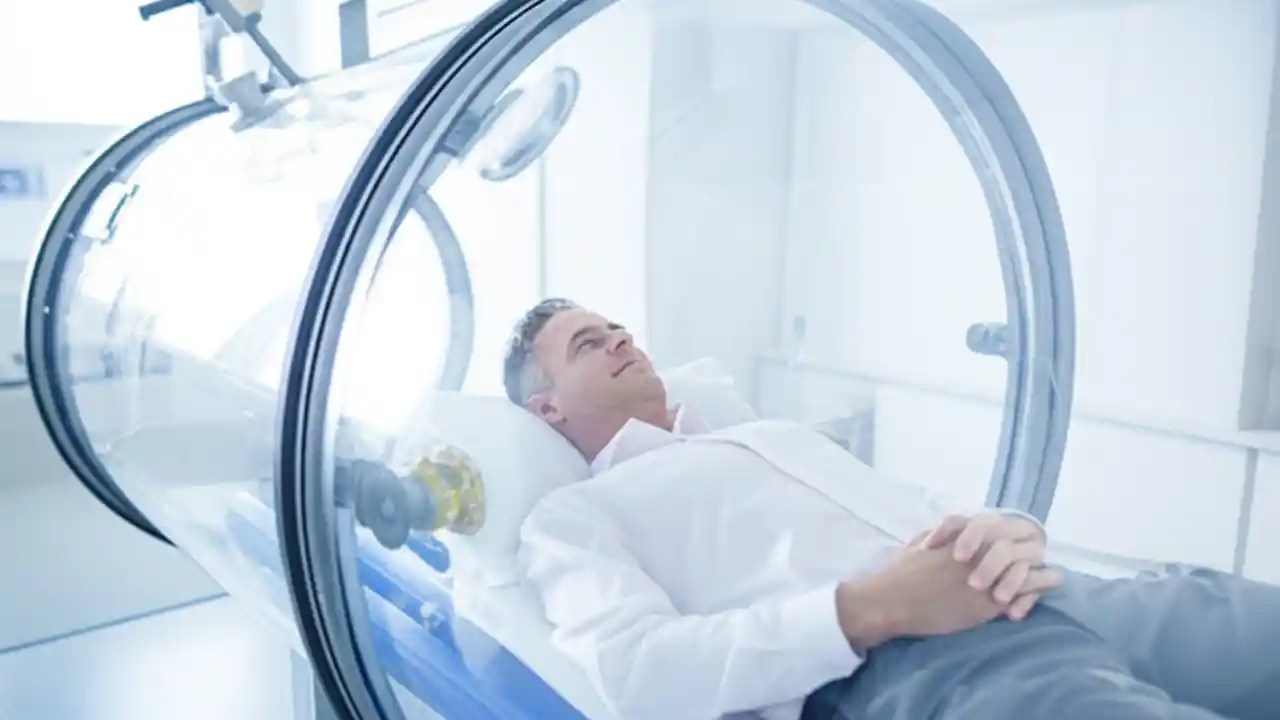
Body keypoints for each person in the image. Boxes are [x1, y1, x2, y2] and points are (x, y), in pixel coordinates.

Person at [502, 298, 1280, 720]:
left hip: (1051, 590)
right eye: (585, 346)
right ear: (547, 412)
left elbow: (923, 506)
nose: (617, 341)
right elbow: (639, 674)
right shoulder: (576, 516)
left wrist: (1014, 528)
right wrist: (865, 610)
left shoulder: (769, 436)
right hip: (914, 664)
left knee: (1256, 628)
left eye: (614, 329)